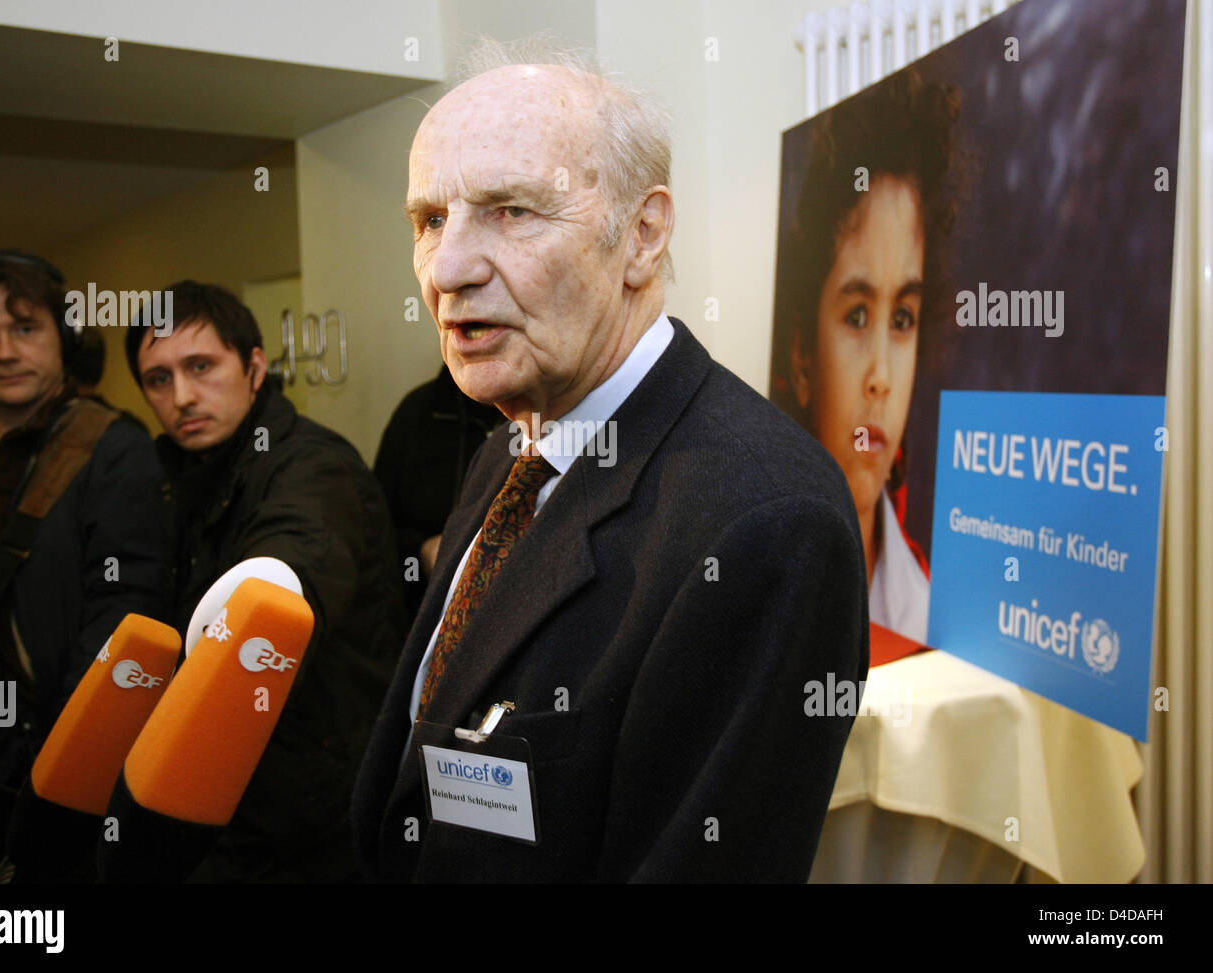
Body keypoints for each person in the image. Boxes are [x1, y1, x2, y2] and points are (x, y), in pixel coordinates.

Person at [351, 44, 869, 882]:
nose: (447, 269)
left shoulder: (768, 523)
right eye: (430, 220)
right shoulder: (506, 449)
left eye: (512, 211)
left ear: (643, 233)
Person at [126, 280, 407, 881]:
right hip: (233, 797)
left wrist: (269, 588)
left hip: (319, 810)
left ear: (255, 368)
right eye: (158, 378)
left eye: (201, 366)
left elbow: (300, 554)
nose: (182, 395)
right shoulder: (176, 476)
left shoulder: (314, 464)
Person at [0, 249, 167, 881]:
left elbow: (121, 616)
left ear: (66, 336)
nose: (3, 352)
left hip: (29, 760)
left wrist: (64, 764)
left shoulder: (113, 448)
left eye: (24, 329)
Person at [774, 69, 959, 644]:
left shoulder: (936, 615)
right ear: (803, 357)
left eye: (902, 319)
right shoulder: (760, 584)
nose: (881, 377)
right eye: (856, 315)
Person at [374, 364, 503, 622]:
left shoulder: (551, 414)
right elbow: (374, 528)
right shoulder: (417, 413)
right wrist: (423, 549)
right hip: (424, 613)